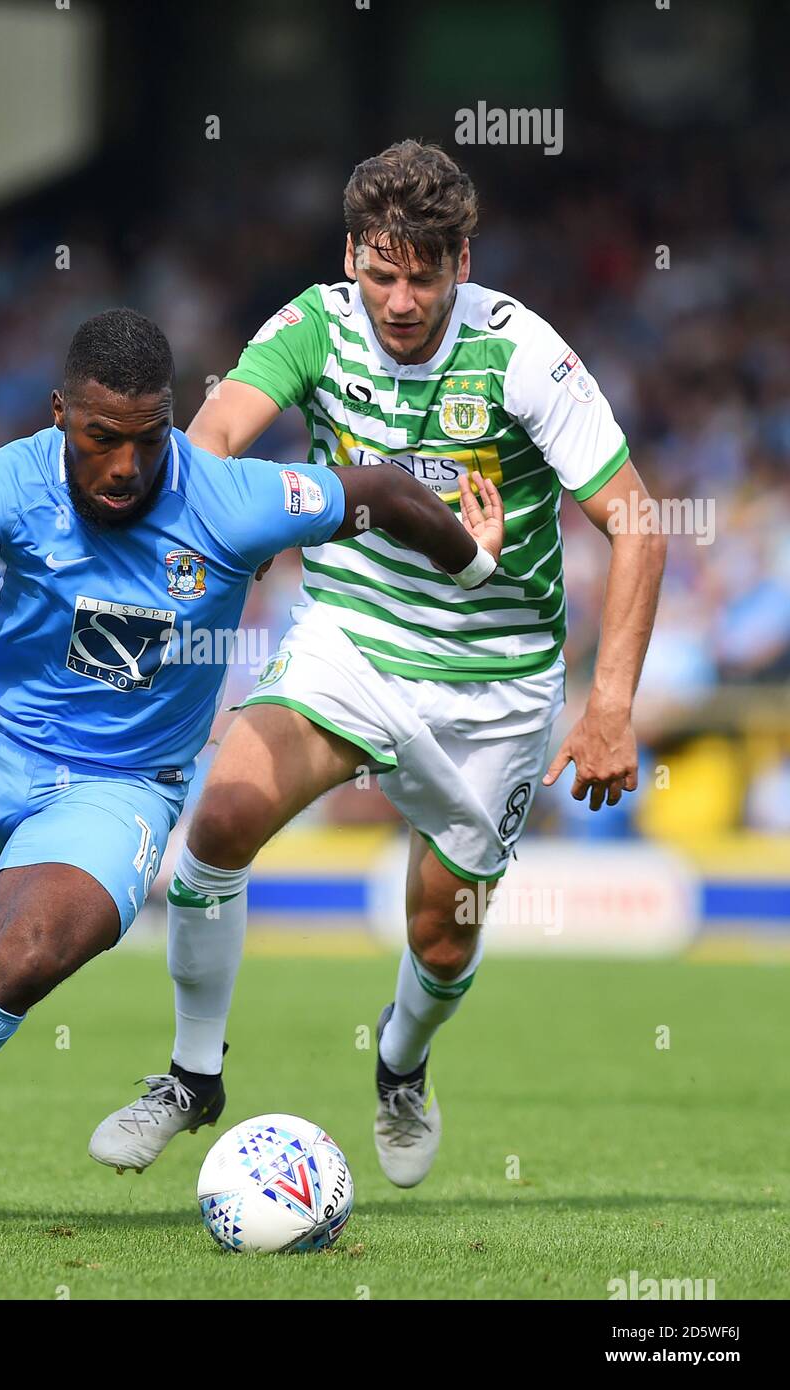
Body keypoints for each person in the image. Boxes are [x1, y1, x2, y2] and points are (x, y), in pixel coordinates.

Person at [0, 306, 504, 1214]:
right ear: (59, 415)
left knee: (24, 955)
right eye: (100, 439)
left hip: (121, 788)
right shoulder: (4, 481)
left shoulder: (233, 499)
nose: (125, 466)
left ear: (171, 421)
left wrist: (474, 570)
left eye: (148, 438)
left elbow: (386, 493)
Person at [88, 141, 667, 1188]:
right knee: (219, 822)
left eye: (423, 276)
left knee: (440, 938)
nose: (400, 300)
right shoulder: (313, 325)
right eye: (381, 271)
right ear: (350, 253)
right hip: (349, 640)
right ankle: (191, 1074)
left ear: (461, 263)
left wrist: (610, 704)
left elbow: (637, 523)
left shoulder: (521, 354)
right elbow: (211, 443)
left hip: (496, 684)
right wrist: (198, 555)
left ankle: (400, 1063)